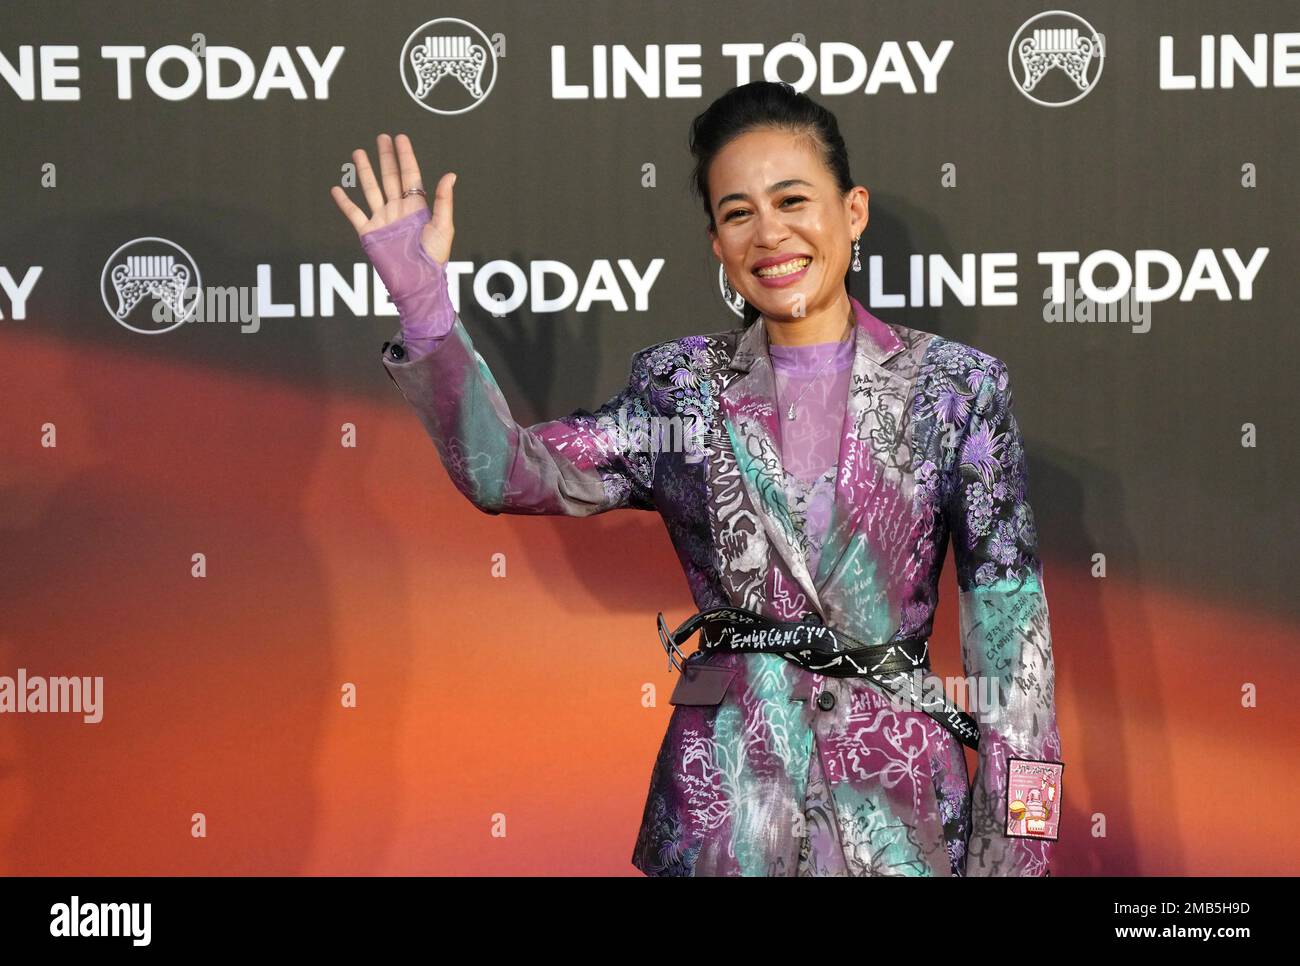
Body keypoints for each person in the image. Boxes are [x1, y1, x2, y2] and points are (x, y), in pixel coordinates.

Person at [330, 81, 1062, 877]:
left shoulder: (958, 389)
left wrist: (1019, 855)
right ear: (716, 241)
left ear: (852, 212)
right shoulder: (679, 385)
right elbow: (510, 472)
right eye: (738, 212)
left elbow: (1015, 652)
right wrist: (425, 310)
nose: (770, 233)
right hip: (724, 821)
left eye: (792, 200)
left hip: (904, 822)